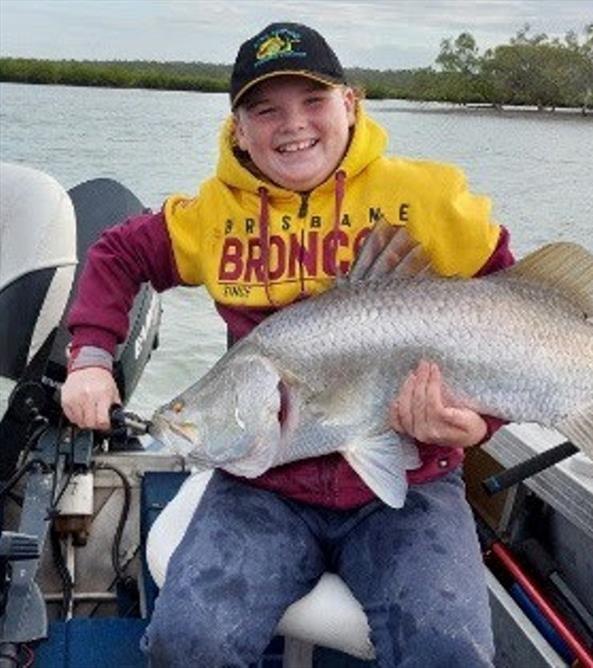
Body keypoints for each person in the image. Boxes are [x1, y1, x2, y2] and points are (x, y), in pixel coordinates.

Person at [61, 21, 514, 667]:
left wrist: (477, 424)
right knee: (187, 642)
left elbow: (518, 312)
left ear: (351, 104)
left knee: (450, 653)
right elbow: (115, 252)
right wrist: (92, 359)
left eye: (313, 101)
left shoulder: (428, 198)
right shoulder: (211, 215)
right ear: (238, 129)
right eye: (265, 109)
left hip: (413, 482)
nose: (292, 124)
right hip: (262, 486)